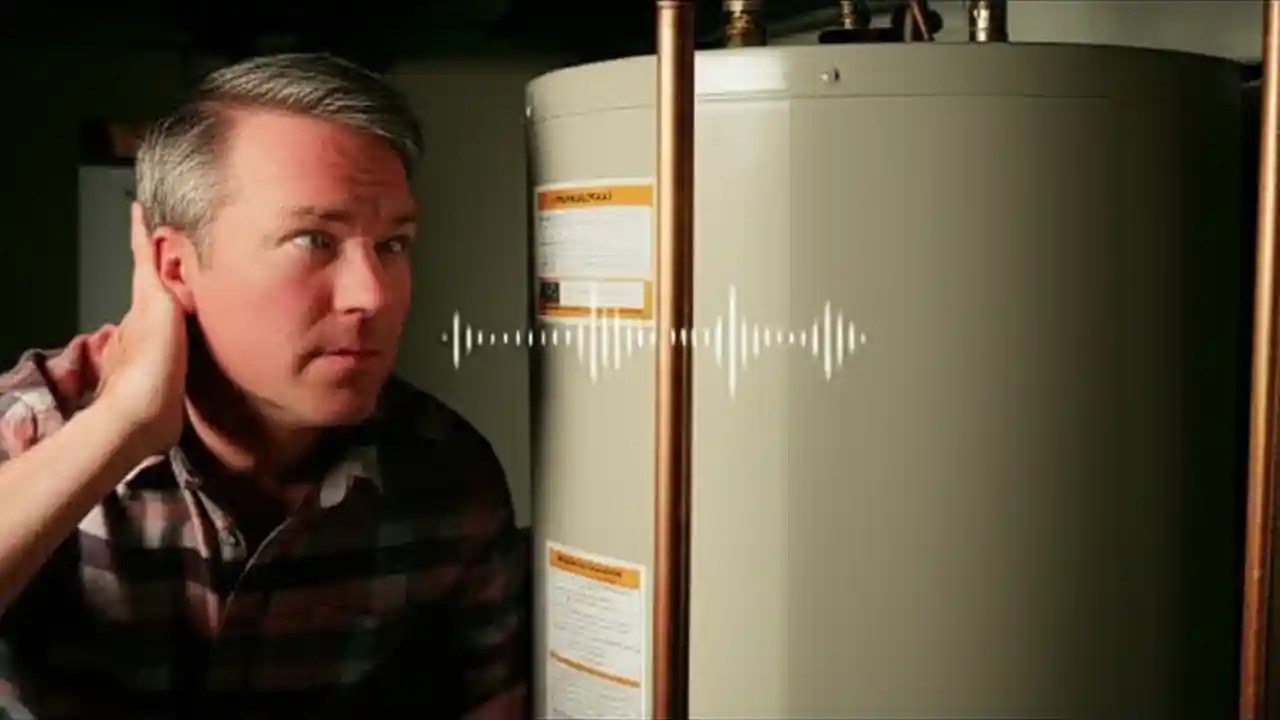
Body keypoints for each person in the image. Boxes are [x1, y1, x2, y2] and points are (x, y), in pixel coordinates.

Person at [0, 53, 529, 719]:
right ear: (174, 266)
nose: (374, 296)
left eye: (393, 245)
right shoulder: (33, 424)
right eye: (313, 239)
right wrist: (122, 426)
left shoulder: (446, 473)